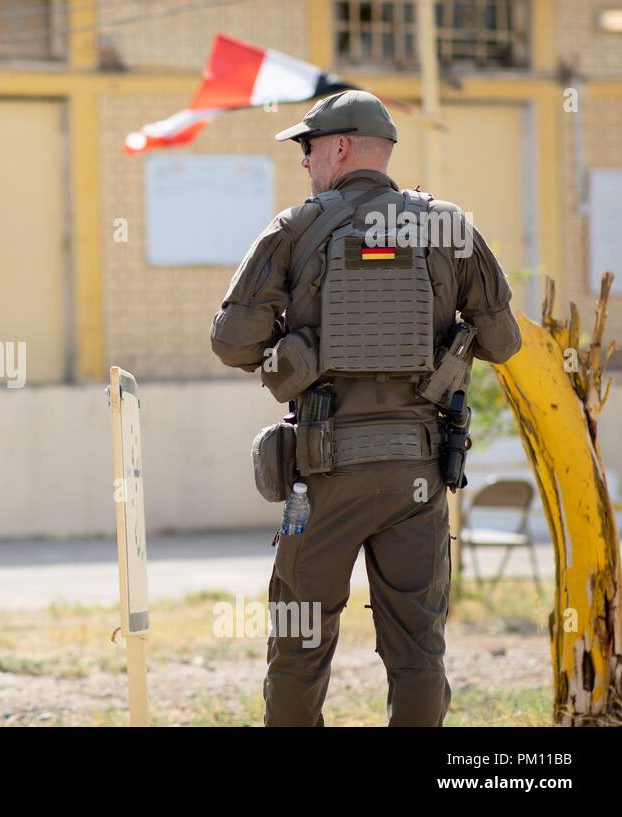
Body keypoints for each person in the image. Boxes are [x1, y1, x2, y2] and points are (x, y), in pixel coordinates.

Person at [210, 91, 521, 726]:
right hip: (417, 477)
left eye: (308, 147)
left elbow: (230, 342)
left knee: (298, 646)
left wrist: (299, 351)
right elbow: (503, 341)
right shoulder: (450, 228)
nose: (304, 162)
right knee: (417, 651)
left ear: (342, 147)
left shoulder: (294, 228)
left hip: (324, 475)